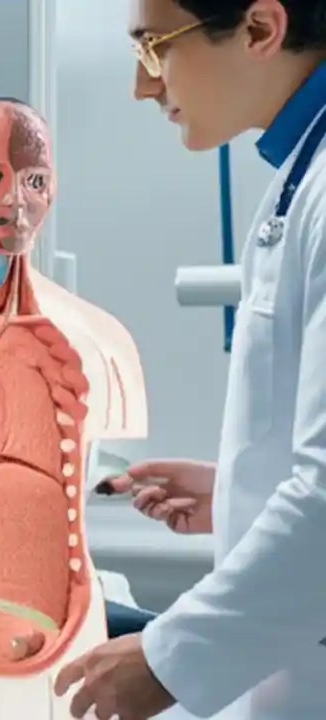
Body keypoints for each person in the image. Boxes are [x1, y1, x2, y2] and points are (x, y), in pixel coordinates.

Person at [53, 1, 326, 718]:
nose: (143, 86)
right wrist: (240, 490)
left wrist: (170, 656)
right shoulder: (300, 174)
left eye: (155, 47)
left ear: (260, 29)